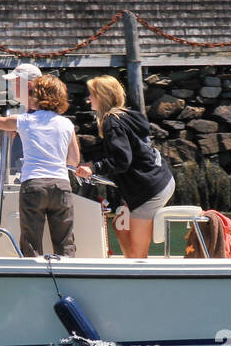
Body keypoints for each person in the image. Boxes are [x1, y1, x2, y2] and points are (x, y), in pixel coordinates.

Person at [0, 73, 79, 258]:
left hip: (34, 184)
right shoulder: (66, 124)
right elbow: (73, 161)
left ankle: (34, 276)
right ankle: (68, 275)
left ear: (38, 95)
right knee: (65, 241)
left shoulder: (25, 121)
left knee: (31, 242)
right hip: (61, 184)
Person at [75, 75, 175, 258]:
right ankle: (131, 263)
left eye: (92, 94)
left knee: (139, 252)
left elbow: (122, 160)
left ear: (102, 96)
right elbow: (126, 151)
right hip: (161, 178)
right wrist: (94, 163)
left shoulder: (111, 122)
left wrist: (94, 168)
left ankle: (137, 271)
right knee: (119, 226)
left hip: (148, 190)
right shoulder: (128, 115)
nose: (88, 99)